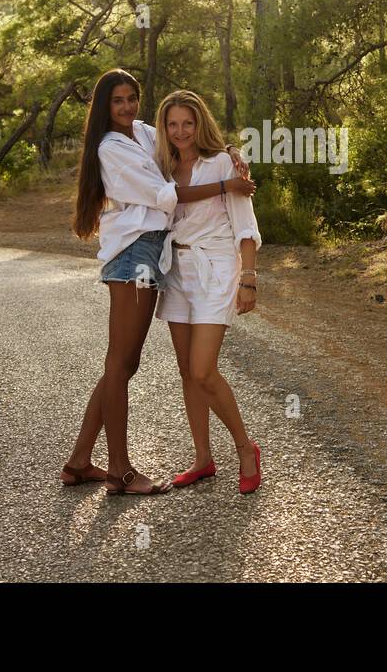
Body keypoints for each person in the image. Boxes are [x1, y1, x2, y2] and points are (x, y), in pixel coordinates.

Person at [63, 70, 254, 495]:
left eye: (132, 98)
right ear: (104, 108)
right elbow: (165, 194)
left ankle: (78, 461)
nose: (128, 107)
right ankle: (120, 470)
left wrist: (230, 149)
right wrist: (227, 184)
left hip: (151, 251)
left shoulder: (141, 134)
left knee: (122, 364)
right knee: (120, 363)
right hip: (135, 253)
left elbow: (185, 136)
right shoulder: (112, 147)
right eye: (118, 102)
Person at [153, 90, 263, 495]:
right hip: (175, 270)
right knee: (187, 372)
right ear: (164, 128)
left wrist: (248, 278)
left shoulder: (222, 164)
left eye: (188, 123)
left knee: (203, 369)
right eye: (173, 124)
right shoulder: (160, 166)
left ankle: (245, 448)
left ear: (201, 124)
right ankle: (202, 458)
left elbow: (245, 226)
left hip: (215, 268)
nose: (180, 131)